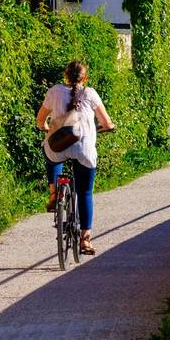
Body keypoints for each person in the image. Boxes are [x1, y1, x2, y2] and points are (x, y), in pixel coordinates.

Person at [36, 61, 116, 256]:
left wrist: (44, 127)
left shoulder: (54, 91)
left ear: (66, 76)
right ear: (84, 78)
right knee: (85, 192)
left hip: (58, 146)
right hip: (84, 150)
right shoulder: (90, 94)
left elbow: (40, 118)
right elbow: (105, 121)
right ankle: (85, 240)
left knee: (51, 156)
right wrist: (109, 127)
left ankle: (54, 193)